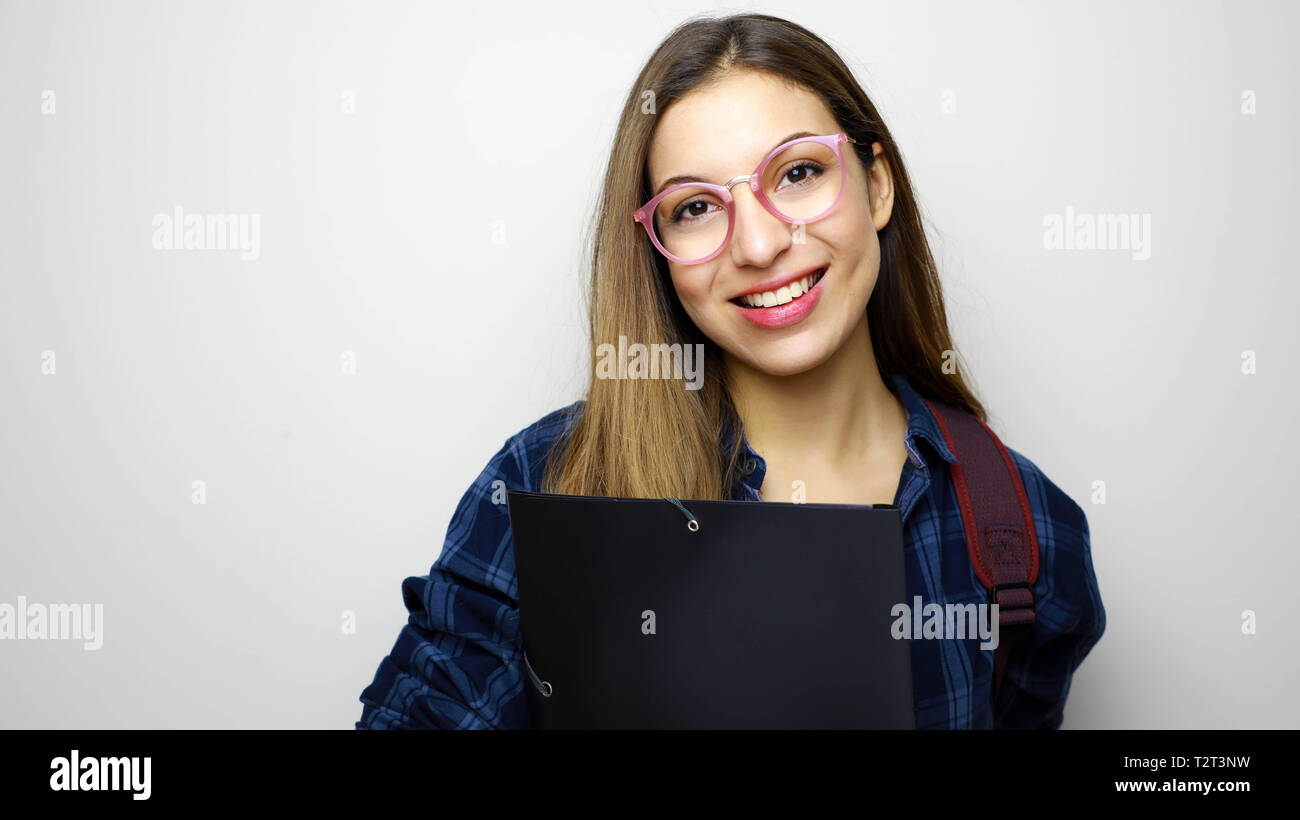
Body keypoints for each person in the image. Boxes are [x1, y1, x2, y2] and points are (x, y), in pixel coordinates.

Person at [356, 12, 1105, 730]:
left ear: (878, 186)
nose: (757, 244)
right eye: (695, 209)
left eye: (799, 173)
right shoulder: (542, 486)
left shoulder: (1027, 528)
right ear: (659, 253)